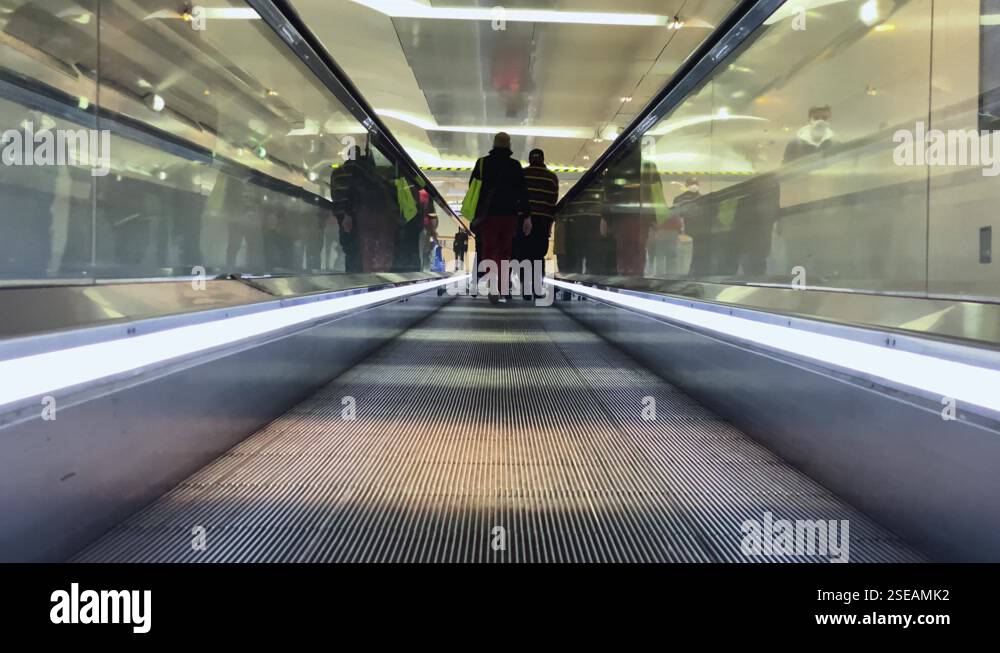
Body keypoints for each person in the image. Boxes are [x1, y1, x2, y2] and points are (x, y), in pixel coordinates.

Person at [468, 132, 529, 304]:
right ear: (509, 145)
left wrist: (475, 213)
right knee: (505, 251)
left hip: (488, 216)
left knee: (490, 249)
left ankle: (492, 283)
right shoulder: (515, 166)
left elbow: (473, 189)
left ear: (494, 144)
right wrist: (526, 216)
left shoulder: (482, 163)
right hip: (509, 216)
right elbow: (522, 192)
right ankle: (502, 286)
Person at [514, 148, 558, 300]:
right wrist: (550, 223)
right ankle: (537, 288)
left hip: (523, 220)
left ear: (530, 159)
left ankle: (526, 289)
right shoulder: (552, 178)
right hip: (543, 221)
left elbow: (517, 198)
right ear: (543, 159)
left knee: (523, 254)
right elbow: (553, 202)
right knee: (538, 256)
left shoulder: (522, 175)